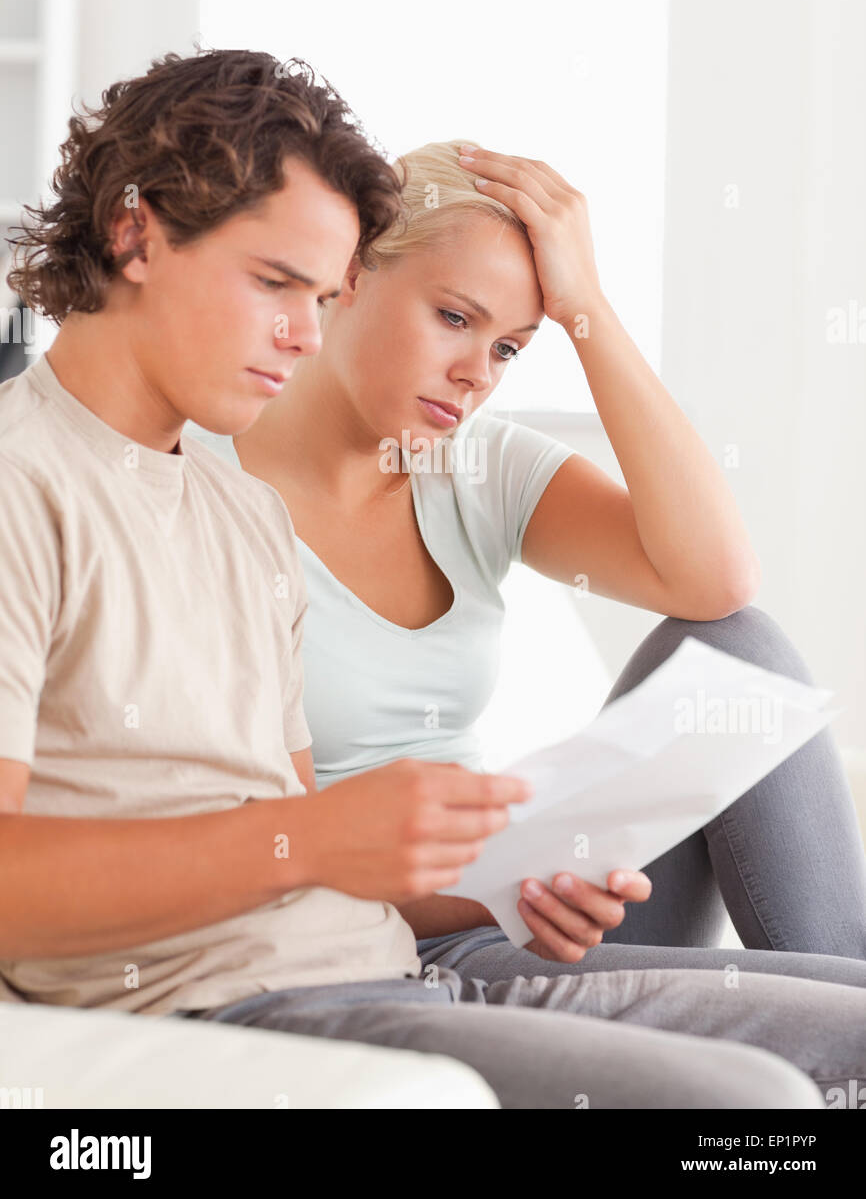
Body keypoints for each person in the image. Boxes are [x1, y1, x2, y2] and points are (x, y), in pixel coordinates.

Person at [0, 53, 861, 1111]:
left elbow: (306, 847)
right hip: (244, 1006)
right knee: (745, 1103)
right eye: (278, 285)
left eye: (320, 296)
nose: (305, 335)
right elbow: (274, 844)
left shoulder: (236, 516)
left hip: (401, 965)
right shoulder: (22, 486)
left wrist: (501, 886)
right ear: (134, 232)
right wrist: (314, 836)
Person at [184, 137, 866, 996]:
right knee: (825, 1017)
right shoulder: (196, 483)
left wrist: (588, 309)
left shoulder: (477, 467)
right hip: (392, 942)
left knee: (740, 649)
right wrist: (494, 891)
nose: (475, 375)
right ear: (349, 273)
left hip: (524, 913)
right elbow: (258, 849)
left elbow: (717, 581)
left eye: (510, 349)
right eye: (456, 318)